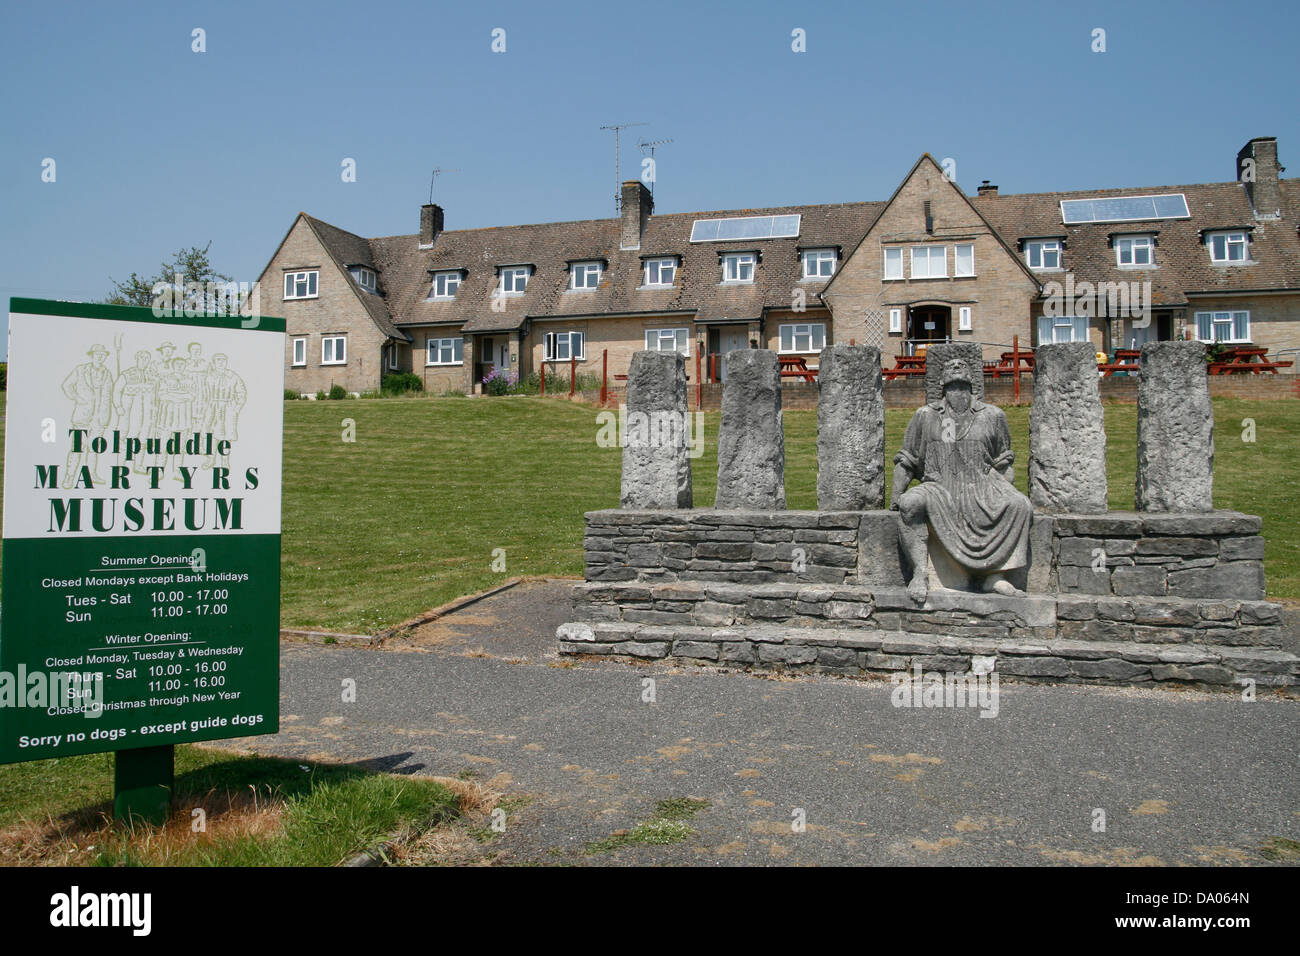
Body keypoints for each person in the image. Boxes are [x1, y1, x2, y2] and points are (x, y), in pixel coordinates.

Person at [891, 358, 1032, 603]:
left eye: (962, 364)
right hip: (938, 486)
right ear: (941, 380)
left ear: (972, 377)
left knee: (1020, 505)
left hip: (982, 484)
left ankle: (995, 576)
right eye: (950, 365)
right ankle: (920, 572)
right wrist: (896, 495)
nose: (956, 366)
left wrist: (1004, 488)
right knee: (909, 504)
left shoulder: (993, 415)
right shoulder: (925, 415)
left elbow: (1003, 462)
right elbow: (907, 459)